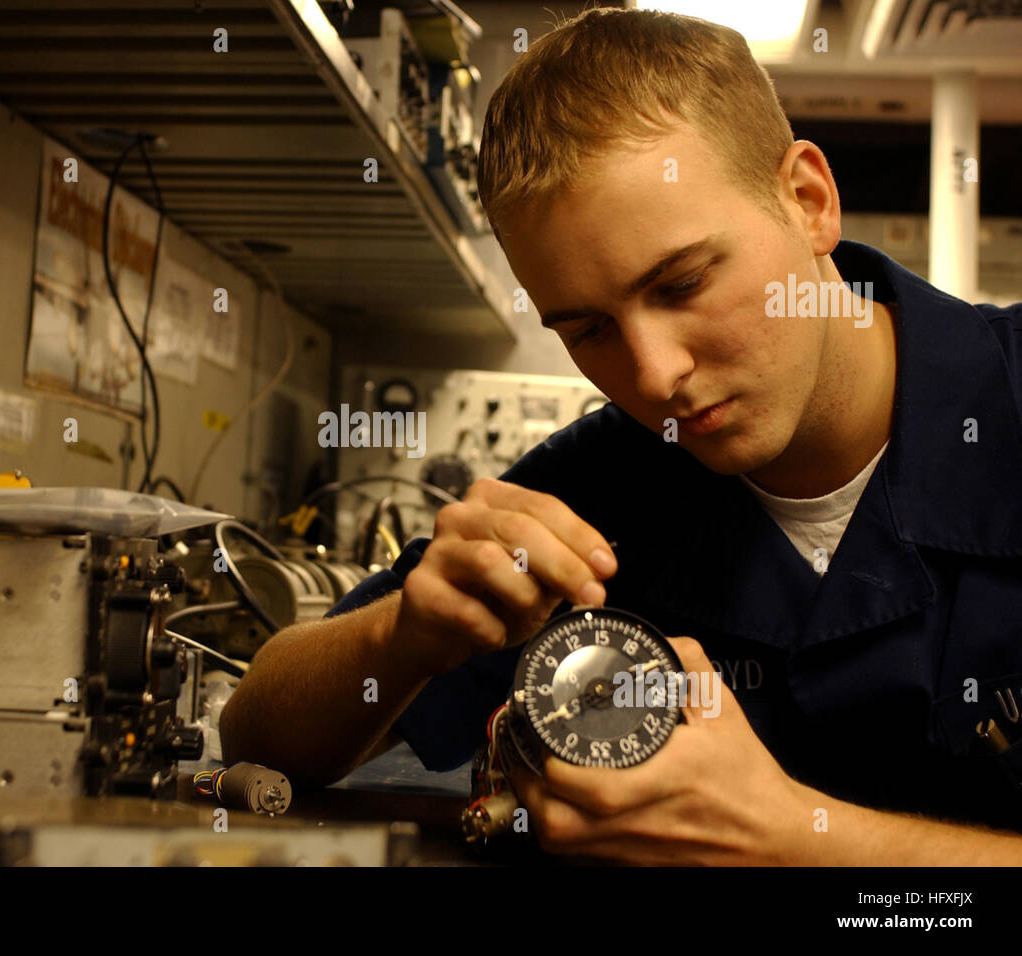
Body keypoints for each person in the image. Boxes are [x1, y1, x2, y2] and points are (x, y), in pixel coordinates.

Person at [220, 6, 1022, 864]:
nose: (652, 375)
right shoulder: (600, 487)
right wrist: (401, 636)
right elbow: (256, 736)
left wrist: (796, 844)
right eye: (588, 329)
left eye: (680, 284)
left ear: (808, 200)